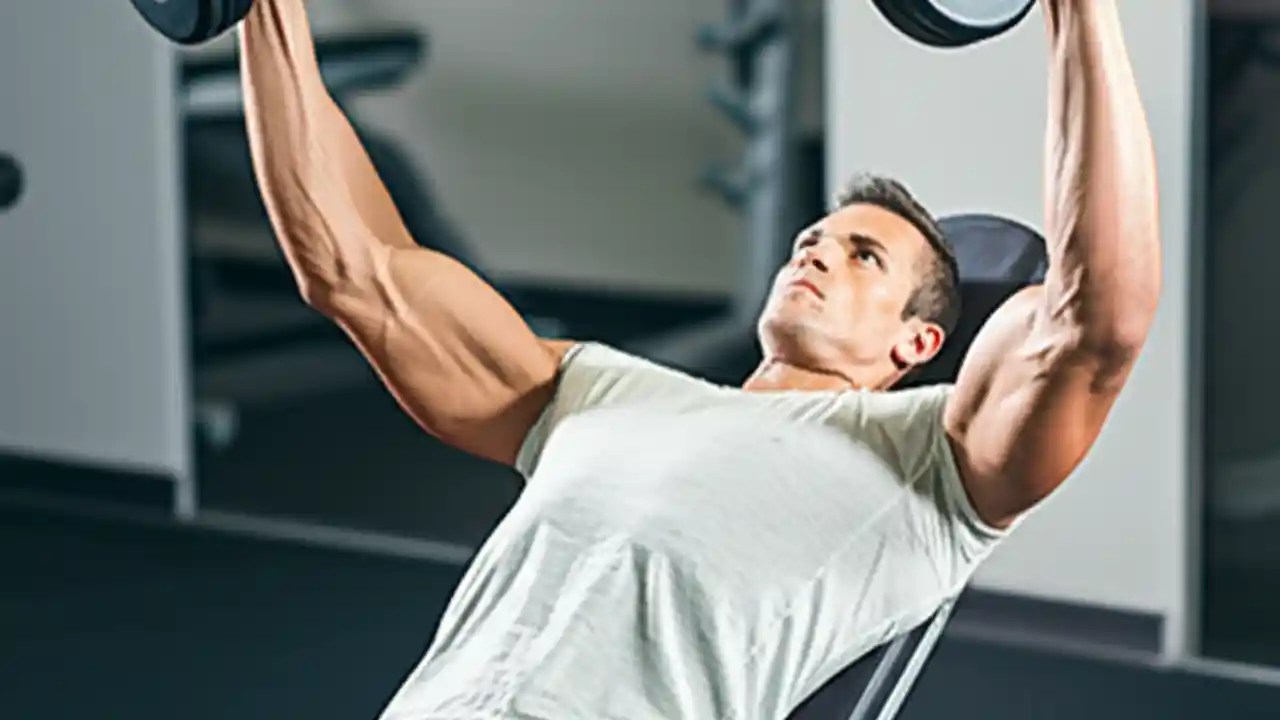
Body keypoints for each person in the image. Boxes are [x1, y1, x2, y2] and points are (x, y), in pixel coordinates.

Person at [236, 0, 1160, 717]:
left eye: (861, 254)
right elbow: (356, 271)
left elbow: (1095, 323)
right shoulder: (596, 390)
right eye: (813, 237)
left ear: (918, 345)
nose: (815, 253)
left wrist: (1077, 11)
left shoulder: (927, 469)